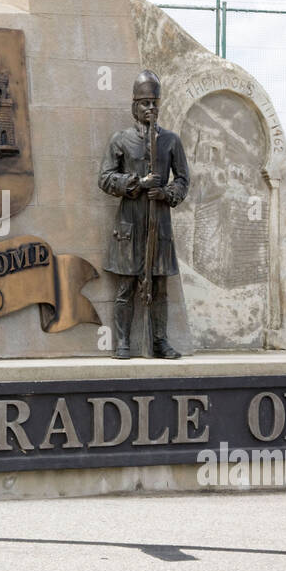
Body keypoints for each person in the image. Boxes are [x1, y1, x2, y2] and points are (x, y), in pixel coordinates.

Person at [97, 70, 190, 359]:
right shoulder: (120, 140)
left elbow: (183, 179)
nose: (150, 108)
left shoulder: (171, 141)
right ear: (134, 106)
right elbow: (105, 178)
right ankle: (122, 342)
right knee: (126, 285)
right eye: (144, 103)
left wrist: (166, 193)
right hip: (130, 223)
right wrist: (136, 183)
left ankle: (160, 341)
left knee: (159, 285)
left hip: (158, 223)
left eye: (154, 103)